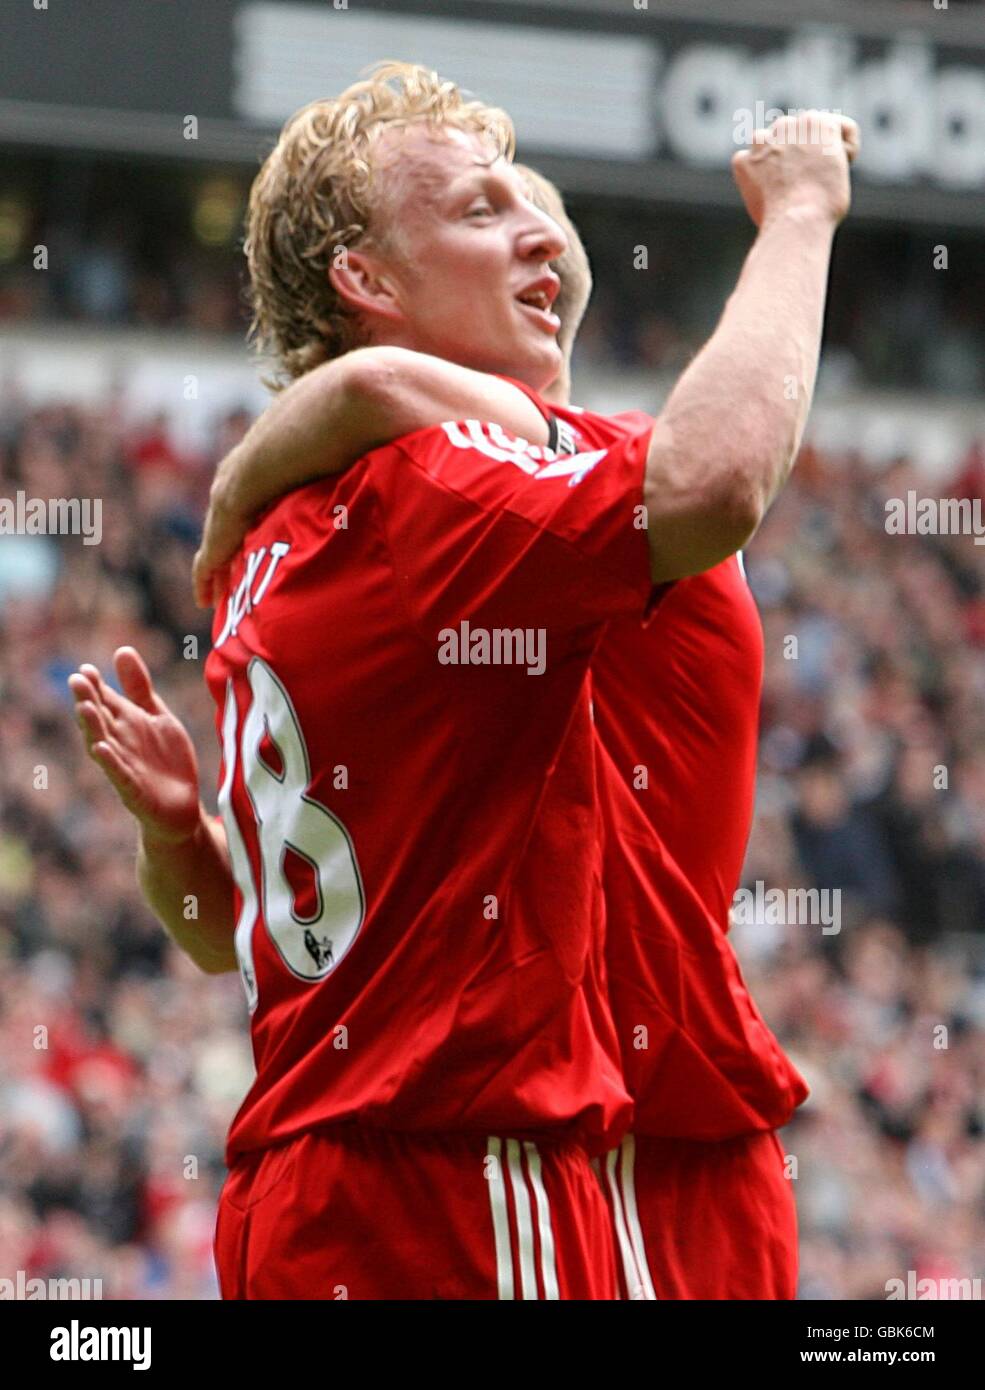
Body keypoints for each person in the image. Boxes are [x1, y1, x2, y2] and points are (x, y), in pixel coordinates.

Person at [71, 62, 856, 1298]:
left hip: (336, 1171)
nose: (534, 239)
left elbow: (234, 938)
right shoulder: (462, 492)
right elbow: (711, 474)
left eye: (533, 225)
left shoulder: (274, 547)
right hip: (537, 1158)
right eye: (482, 212)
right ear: (368, 283)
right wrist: (804, 211)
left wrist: (177, 838)